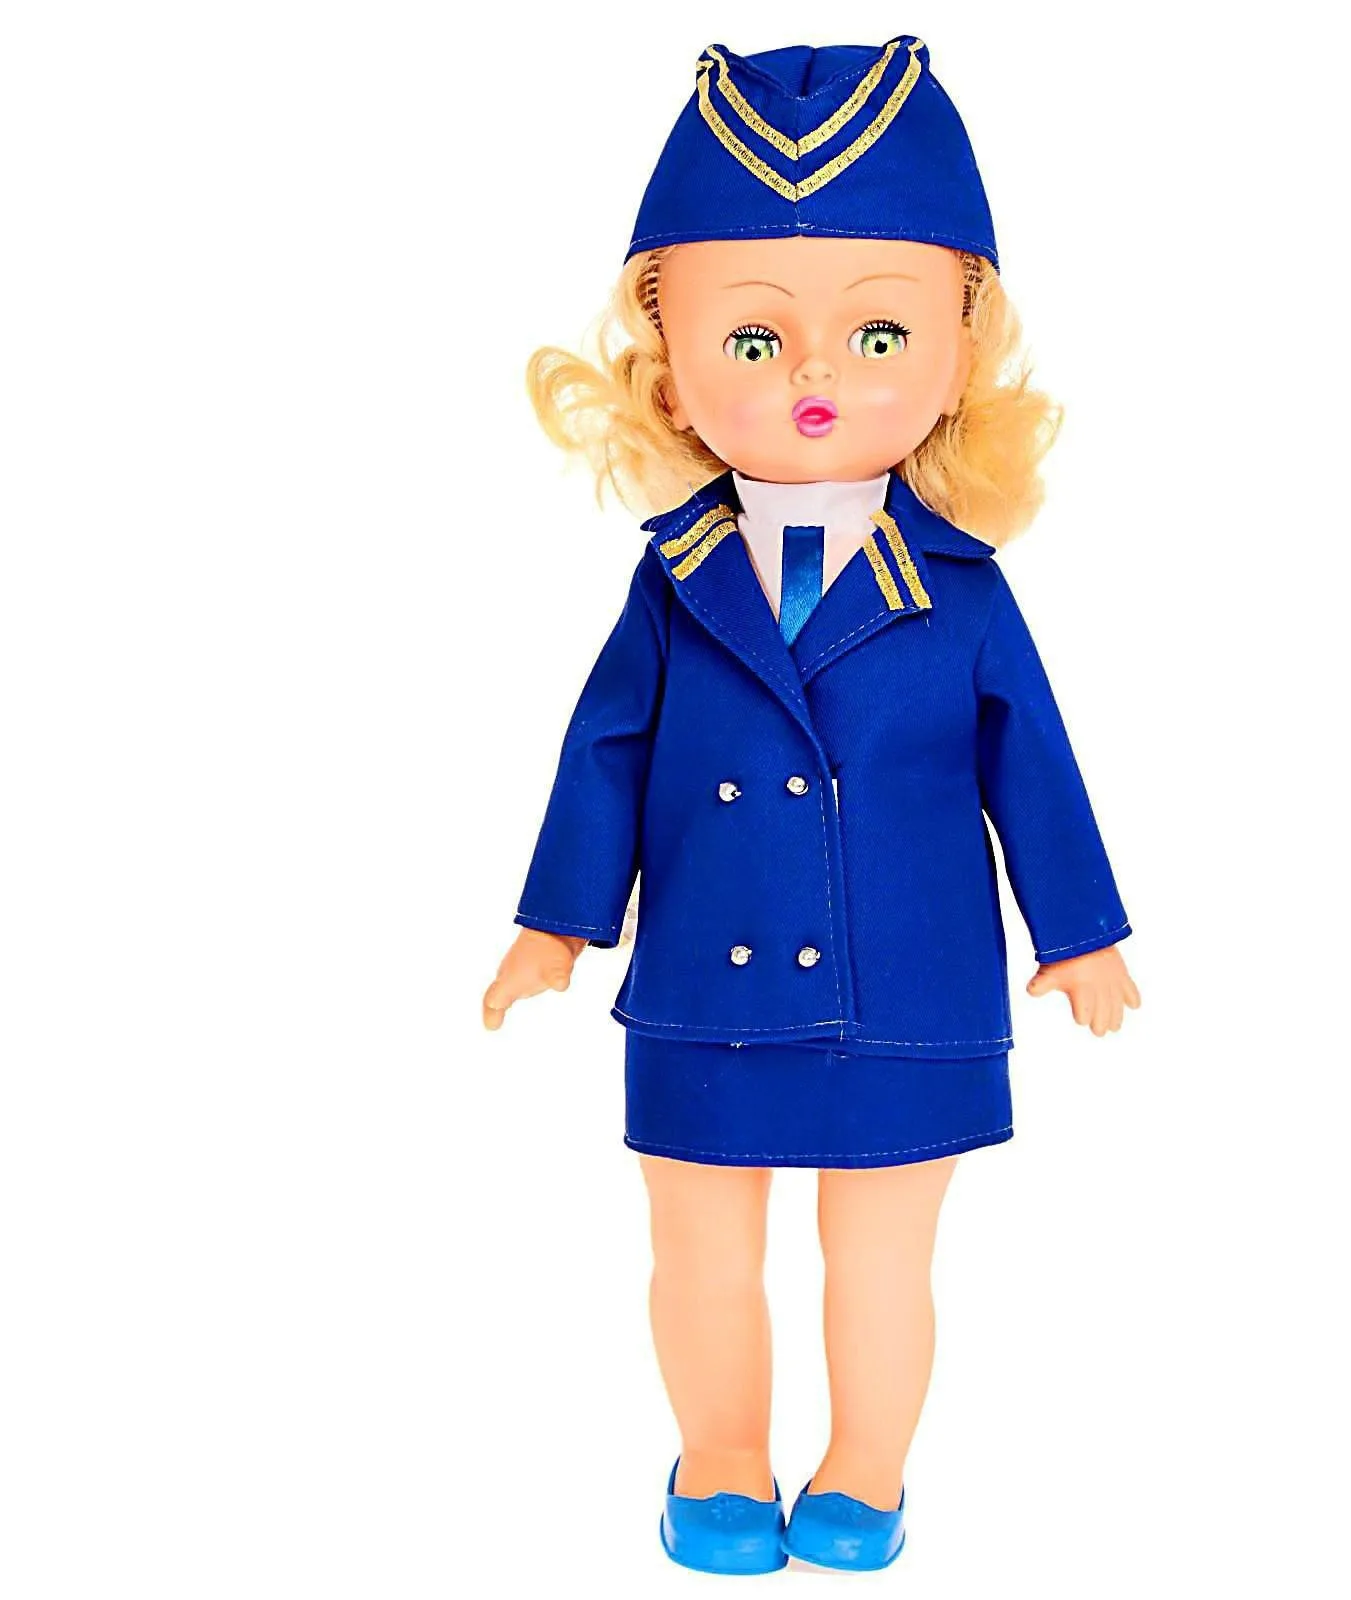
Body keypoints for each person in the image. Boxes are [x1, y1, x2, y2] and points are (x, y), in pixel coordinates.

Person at [481, 34, 1139, 1574]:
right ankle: (719, 1456)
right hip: (703, 983)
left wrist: (1080, 934)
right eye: (757, 338)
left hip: (903, 983)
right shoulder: (676, 584)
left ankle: (864, 1471)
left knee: (881, 1256)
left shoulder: (962, 592)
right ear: (668, 356)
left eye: (880, 331)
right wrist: (554, 927)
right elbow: (604, 753)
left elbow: (1033, 763)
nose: (817, 376)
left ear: (963, 351)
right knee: (698, 1246)